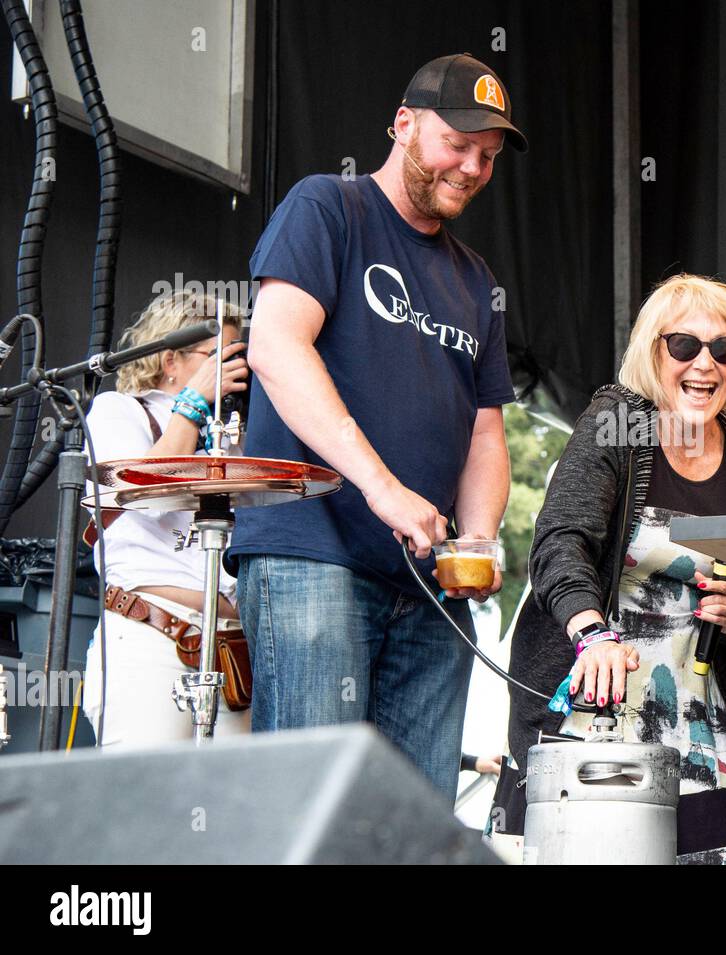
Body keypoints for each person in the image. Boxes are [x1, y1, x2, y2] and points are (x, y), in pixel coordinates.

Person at [228, 54, 525, 800]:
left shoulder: (477, 279)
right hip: (312, 559)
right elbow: (274, 345)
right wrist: (383, 488)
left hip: (430, 589)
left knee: (410, 826)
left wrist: (480, 539)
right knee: (313, 813)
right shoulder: (328, 207)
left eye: (487, 156)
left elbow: (486, 433)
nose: (472, 166)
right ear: (402, 124)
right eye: (457, 143)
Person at [491, 275, 726, 864]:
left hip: (706, 703)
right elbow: (559, 541)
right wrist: (591, 632)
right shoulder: (617, 422)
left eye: (725, 349)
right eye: (685, 346)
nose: (705, 365)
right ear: (655, 352)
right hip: (597, 691)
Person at [81, 290, 250, 746]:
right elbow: (145, 492)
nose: (230, 369)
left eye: (235, 357)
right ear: (170, 360)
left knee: (230, 809)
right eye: (216, 356)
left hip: (229, 647)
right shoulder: (119, 410)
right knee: (146, 801)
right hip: (151, 634)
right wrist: (193, 404)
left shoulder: (230, 434)